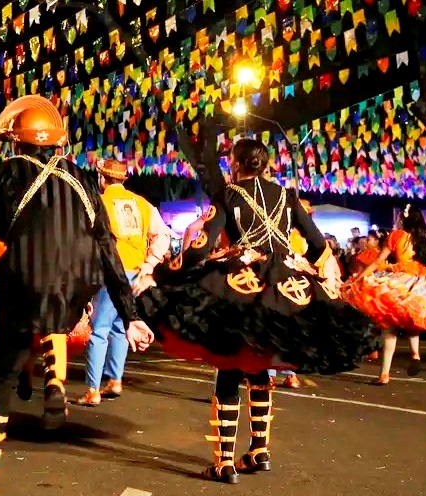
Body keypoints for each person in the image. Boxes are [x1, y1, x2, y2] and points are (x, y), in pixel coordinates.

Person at [0, 94, 153, 496]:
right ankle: (52, 380)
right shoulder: (82, 179)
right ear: (58, 141)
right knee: (52, 325)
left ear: (15, 141)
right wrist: (131, 315)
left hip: (21, 286)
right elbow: (107, 249)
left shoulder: (0, 174)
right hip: (74, 291)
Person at [136, 138, 373, 484]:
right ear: (265, 164)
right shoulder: (287, 196)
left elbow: (200, 247)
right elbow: (319, 244)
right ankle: (259, 450)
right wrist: (299, 264)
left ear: (236, 164)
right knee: (260, 359)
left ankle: (224, 462)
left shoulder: (229, 195)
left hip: (240, 285)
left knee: (230, 363)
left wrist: (163, 272)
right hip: (283, 286)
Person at [74, 159, 172, 406]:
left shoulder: (98, 203)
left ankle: (93, 389)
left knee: (99, 329)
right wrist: (149, 264)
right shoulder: (142, 204)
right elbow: (163, 235)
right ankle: (114, 380)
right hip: (136, 273)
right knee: (121, 325)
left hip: (110, 273)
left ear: (102, 178)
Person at [343, 205, 426, 385]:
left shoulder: (396, 236)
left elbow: (377, 262)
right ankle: (415, 354)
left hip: (400, 281)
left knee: (390, 327)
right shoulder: (424, 239)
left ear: (403, 219)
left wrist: (357, 279)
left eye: (399, 218)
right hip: (423, 283)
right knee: (414, 317)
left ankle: (384, 374)